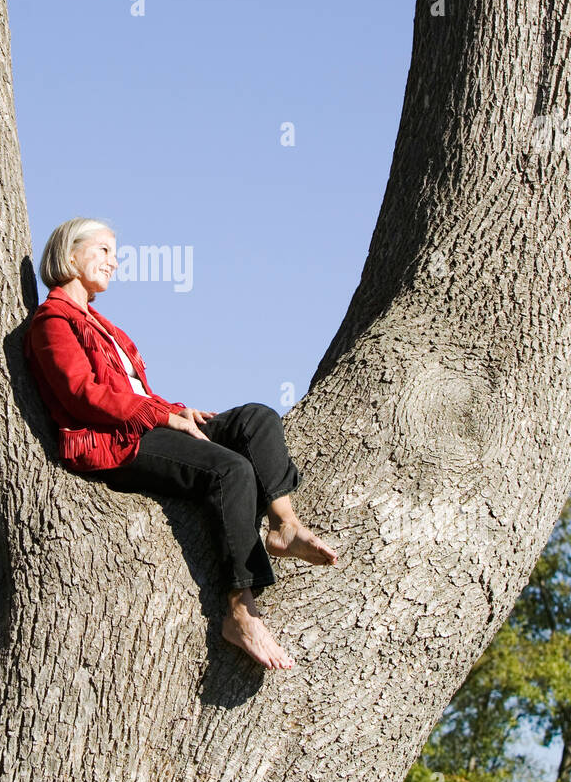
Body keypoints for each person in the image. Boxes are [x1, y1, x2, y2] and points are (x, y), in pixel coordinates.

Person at [23, 217, 338, 671]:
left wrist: (175, 410)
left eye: (116, 253)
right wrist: (159, 415)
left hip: (144, 424)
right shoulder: (52, 321)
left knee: (257, 418)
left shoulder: (101, 324)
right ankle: (240, 611)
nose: (115, 262)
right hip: (114, 446)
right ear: (69, 256)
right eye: (105, 251)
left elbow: (133, 391)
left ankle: (284, 524)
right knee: (231, 470)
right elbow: (82, 394)